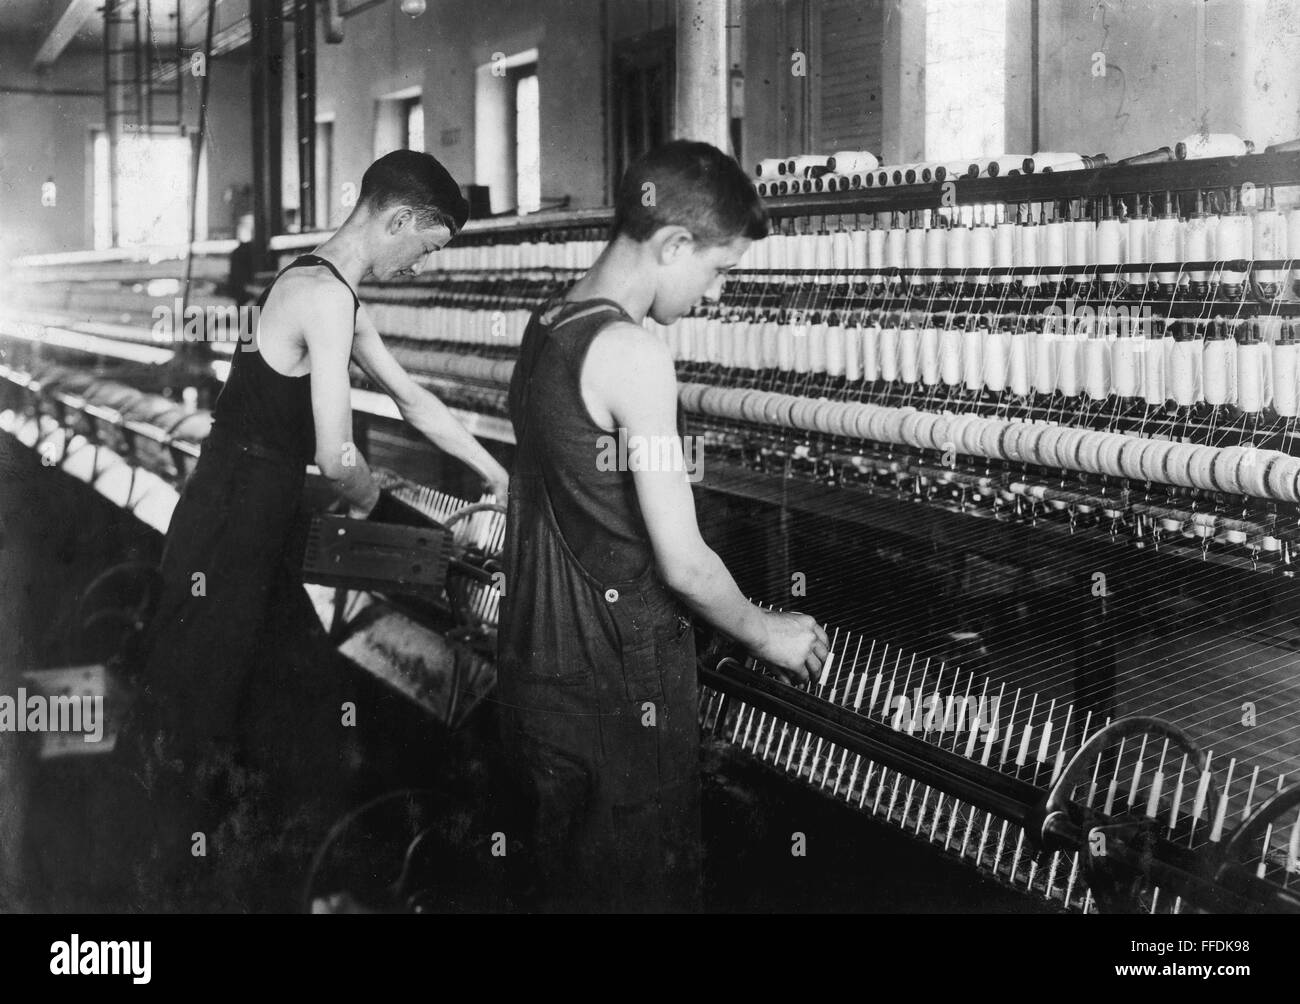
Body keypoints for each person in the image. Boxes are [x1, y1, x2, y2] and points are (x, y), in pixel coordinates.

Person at [126, 149, 510, 911]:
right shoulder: (321, 295)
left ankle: (267, 886)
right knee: (208, 723)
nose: (416, 264)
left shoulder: (329, 287)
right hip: (229, 535)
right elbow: (339, 460)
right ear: (398, 219)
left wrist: (498, 474)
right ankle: (169, 894)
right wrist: (416, 528)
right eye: (424, 247)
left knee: (294, 714)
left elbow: (412, 402)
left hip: (252, 526)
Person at [497, 140, 829, 913]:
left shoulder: (546, 326)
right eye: (718, 270)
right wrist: (764, 629)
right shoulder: (633, 354)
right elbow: (683, 563)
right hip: (618, 679)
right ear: (673, 243)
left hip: (538, 662)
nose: (716, 293)